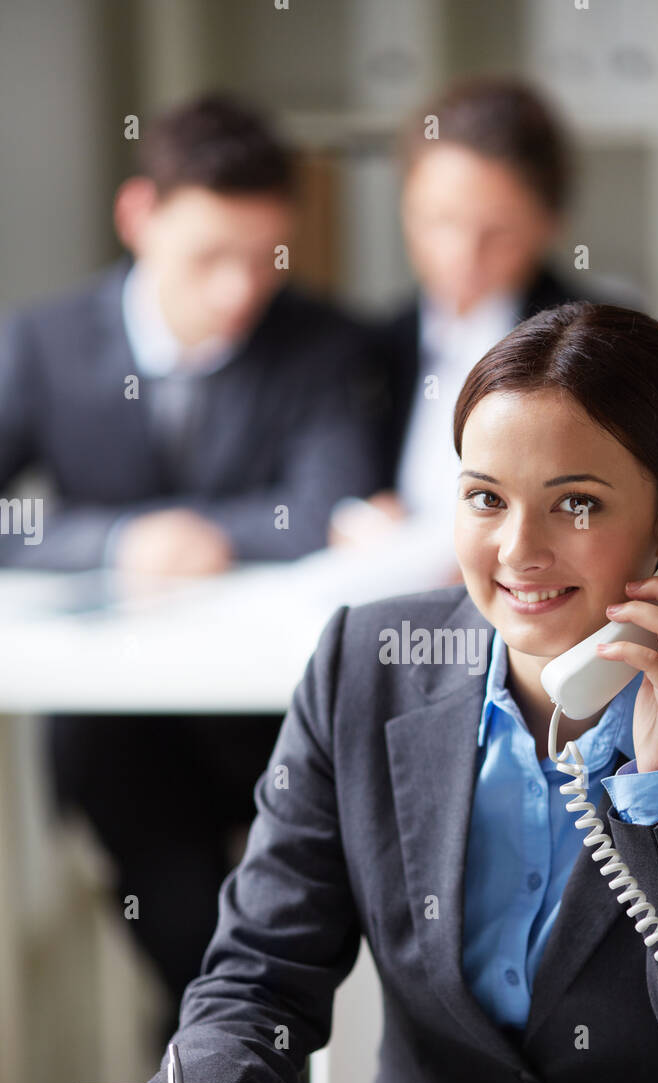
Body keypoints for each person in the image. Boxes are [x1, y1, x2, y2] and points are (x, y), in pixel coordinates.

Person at [111, 302, 658, 1083]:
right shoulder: (365, 666)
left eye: (575, 503)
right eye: (485, 498)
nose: (518, 551)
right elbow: (265, 964)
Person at [0, 93, 383, 1027]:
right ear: (140, 218)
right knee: (190, 940)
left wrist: (207, 537)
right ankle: (211, 1069)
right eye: (209, 257)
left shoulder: (323, 342)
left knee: (299, 913)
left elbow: (333, 503)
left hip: (272, 719)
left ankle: (227, 1068)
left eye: (262, 258)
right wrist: (115, 541)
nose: (237, 290)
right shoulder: (43, 343)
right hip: (118, 726)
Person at [332, 75, 658, 564]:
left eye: (496, 230)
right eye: (439, 220)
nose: (461, 255)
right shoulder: (374, 344)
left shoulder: (606, 346)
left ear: (549, 224)